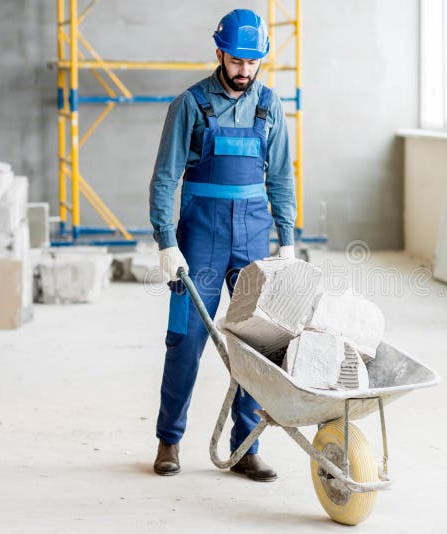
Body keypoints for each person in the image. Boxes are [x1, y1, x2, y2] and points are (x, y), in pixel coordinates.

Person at [148, 8, 296, 481]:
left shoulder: (270, 106)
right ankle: (169, 440)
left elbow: (281, 178)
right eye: (236, 60)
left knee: (256, 343)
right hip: (200, 238)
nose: (244, 70)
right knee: (186, 338)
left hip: (253, 236)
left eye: (252, 62)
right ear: (219, 54)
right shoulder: (190, 105)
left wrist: (288, 241)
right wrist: (166, 241)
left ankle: (246, 447)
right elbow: (165, 178)